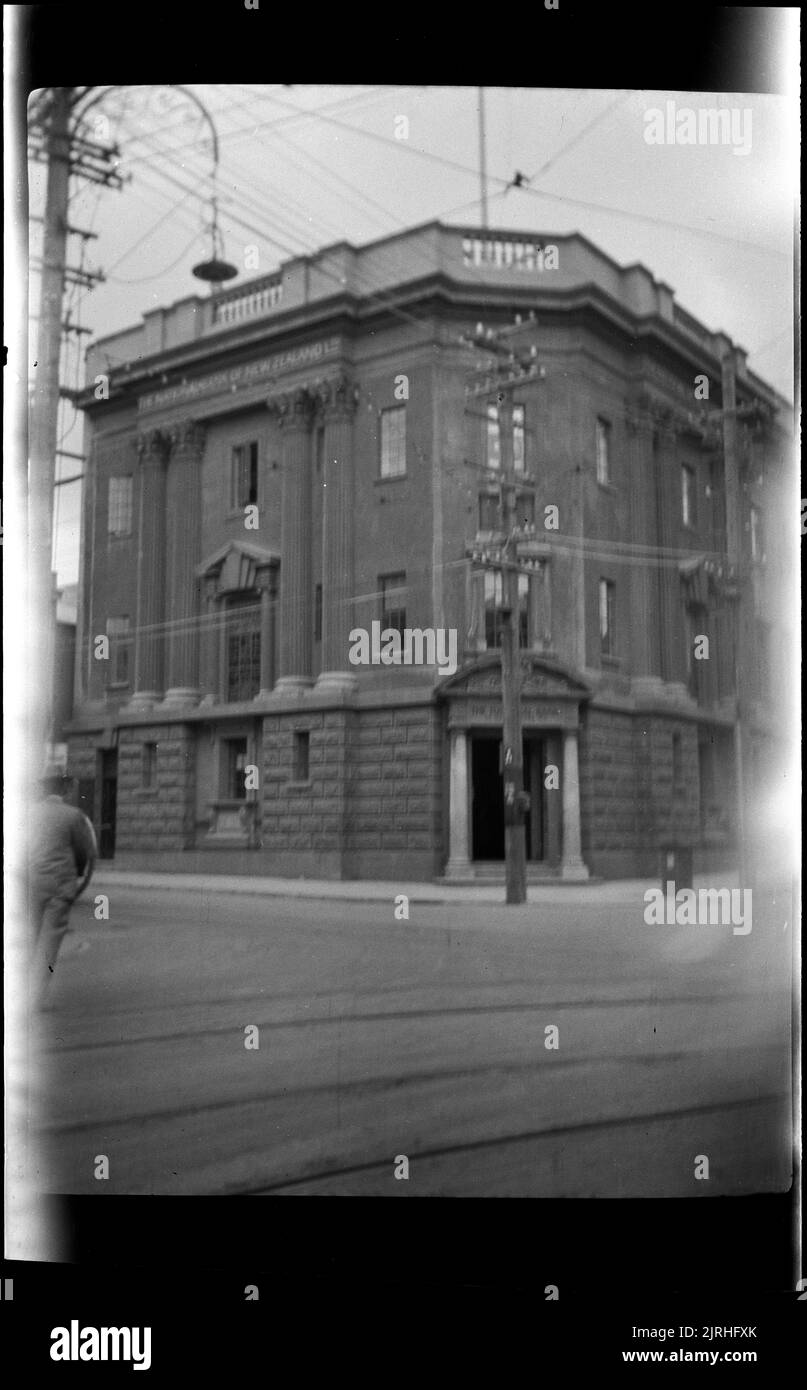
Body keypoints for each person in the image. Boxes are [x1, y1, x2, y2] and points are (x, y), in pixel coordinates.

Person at [28, 769, 97, 1008]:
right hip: (60, 885)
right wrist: (77, 878)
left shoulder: (27, 813)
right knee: (50, 942)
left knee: (29, 937)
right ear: (64, 790)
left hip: (31, 882)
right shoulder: (72, 815)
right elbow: (83, 852)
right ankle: (35, 995)